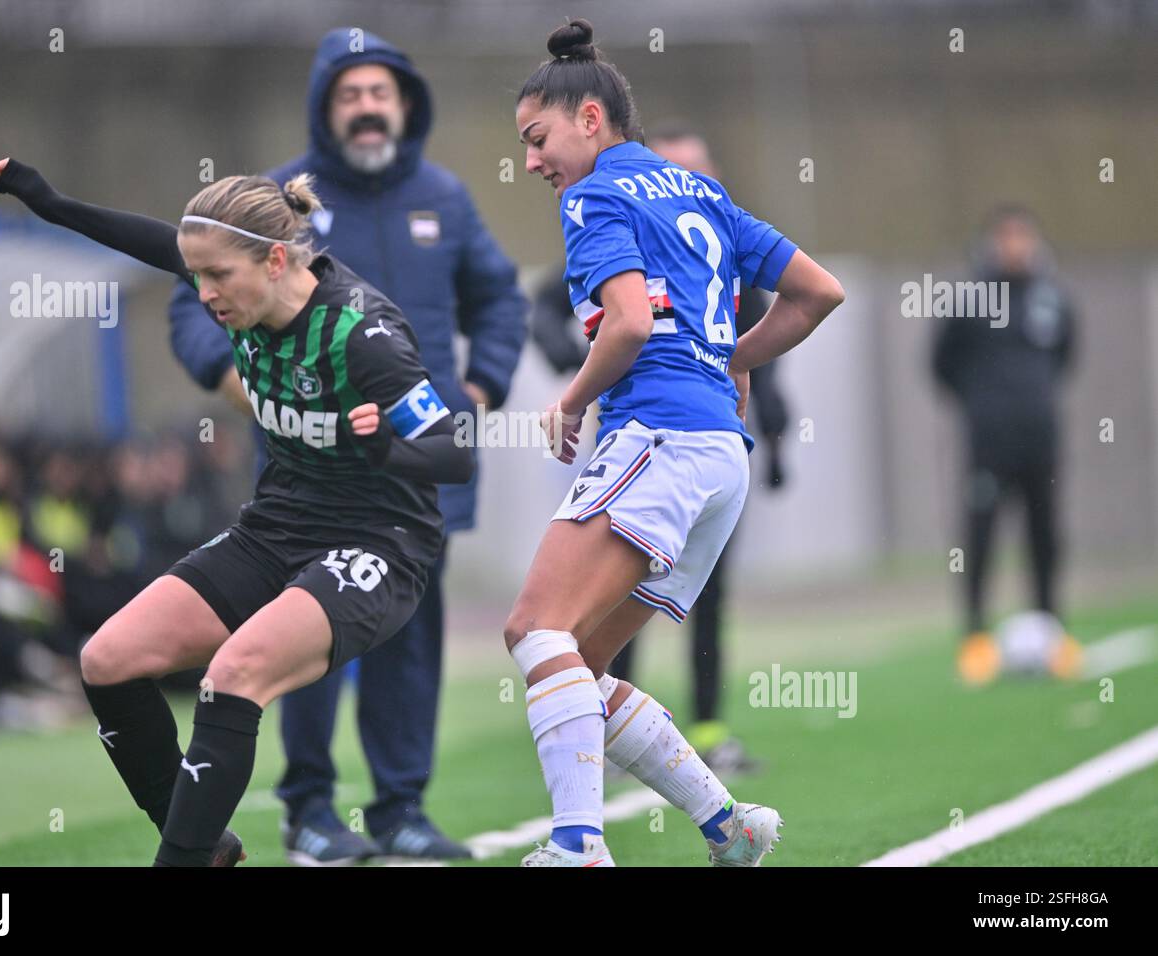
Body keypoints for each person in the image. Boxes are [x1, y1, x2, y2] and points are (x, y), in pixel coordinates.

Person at [0, 154, 473, 866]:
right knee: (108, 659)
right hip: (275, 529)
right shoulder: (235, 282)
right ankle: (205, 847)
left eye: (218, 276)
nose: (205, 293)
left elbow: (454, 453)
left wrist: (388, 451)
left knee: (234, 673)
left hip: (377, 545)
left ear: (275, 260)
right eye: (196, 274)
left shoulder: (362, 334)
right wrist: (48, 201)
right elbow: (148, 241)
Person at [168, 28, 527, 863]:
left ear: (404, 104)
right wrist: (225, 376)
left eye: (381, 93)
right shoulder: (276, 205)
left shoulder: (445, 195)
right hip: (309, 475)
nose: (367, 109)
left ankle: (401, 809)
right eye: (349, 94)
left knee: (408, 642)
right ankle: (311, 814)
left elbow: (501, 298)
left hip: (408, 467)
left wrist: (481, 390)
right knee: (297, 645)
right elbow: (192, 297)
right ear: (326, 109)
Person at [505, 19, 845, 867]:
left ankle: (579, 848)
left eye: (536, 138)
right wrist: (724, 356)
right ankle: (731, 826)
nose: (532, 162)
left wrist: (572, 402)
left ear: (590, 118)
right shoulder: (699, 191)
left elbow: (623, 325)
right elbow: (818, 292)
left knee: (533, 630)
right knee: (578, 660)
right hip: (721, 454)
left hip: (655, 435)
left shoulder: (593, 197)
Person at [530, 123, 789, 773]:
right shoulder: (622, 224)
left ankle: (701, 725)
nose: (688, 184)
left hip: (694, 438)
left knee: (559, 627)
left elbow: (756, 335)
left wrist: (774, 424)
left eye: (699, 169)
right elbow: (558, 311)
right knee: (606, 607)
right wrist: (584, 374)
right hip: (658, 443)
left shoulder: (716, 236)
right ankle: (624, 735)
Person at [932, 205, 1079, 684]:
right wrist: (982, 405)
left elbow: (1064, 356)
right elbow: (940, 363)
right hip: (988, 443)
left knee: (1045, 535)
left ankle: (1053, 633)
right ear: (992, 244)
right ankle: (975, 637)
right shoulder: (971, 299)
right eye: (1007, 237)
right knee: (981, 537)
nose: (1016, 246)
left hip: (1041, 438)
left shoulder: (1053, 298)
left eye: (1024, 237)